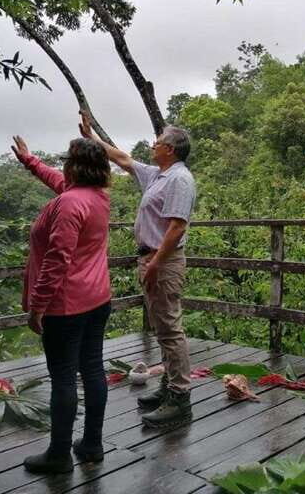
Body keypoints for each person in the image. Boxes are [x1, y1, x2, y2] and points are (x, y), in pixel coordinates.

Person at [79, 114, 197, 428]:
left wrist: (155, 264)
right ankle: (169, 385)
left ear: (170, 149)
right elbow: (123, 159)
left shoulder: (179, 179)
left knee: (170, 329)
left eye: (158, 142)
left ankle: (180, 398)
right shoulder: (158, 175)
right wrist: (92, 138)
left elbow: (177, 227)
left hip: (163, 261)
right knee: (162, 328)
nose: (153, 145)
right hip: (152, 259)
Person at [11, 136, 112, 474]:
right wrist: (30, 161)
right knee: (93, 369)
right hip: (97, 299)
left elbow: (57, 260)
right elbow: (59, 182)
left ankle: (58, 455)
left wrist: (37, 306)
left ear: (73, 166)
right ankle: (92, 444)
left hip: (66, 306)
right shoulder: (97, 196)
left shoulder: (69, 203)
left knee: (64, 378)